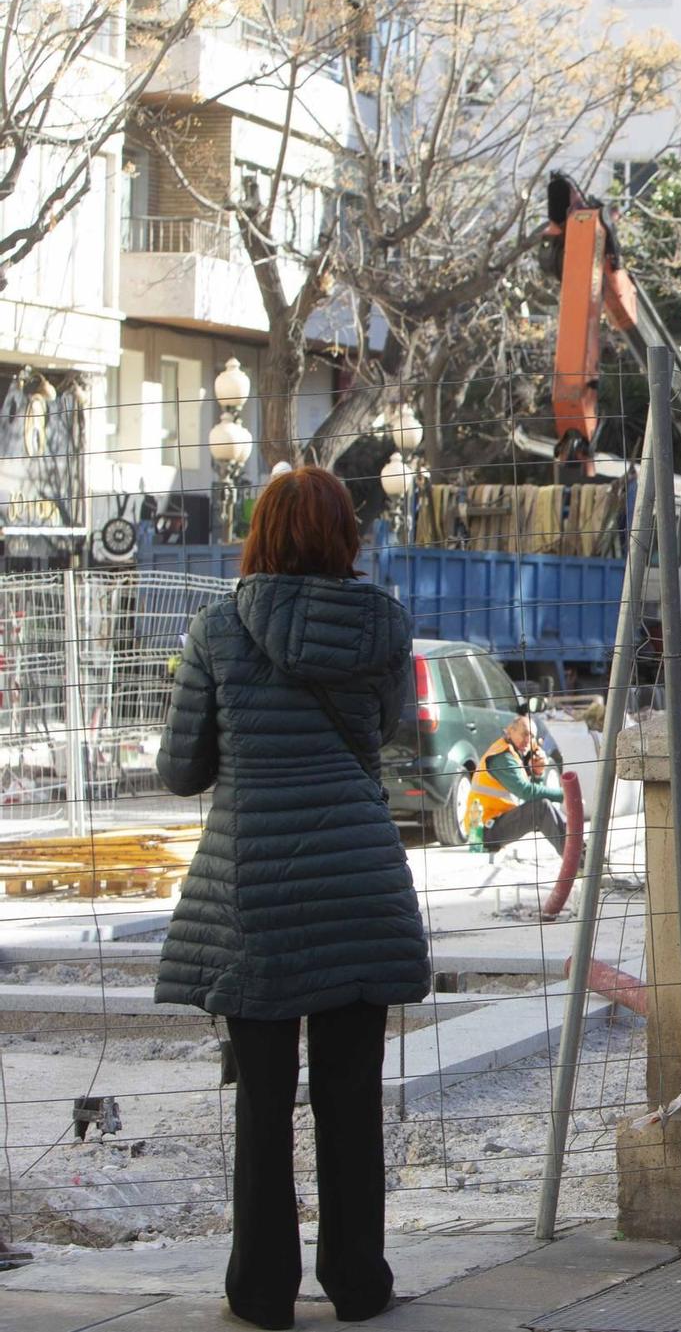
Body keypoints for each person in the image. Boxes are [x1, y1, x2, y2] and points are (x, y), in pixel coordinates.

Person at [154, 467, 427, 1330]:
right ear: (346, 536)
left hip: (257, 893)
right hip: (359, 883)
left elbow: (181, 769)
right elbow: (381, 731)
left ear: (260, 534)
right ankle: (358, 1281)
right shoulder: (384, 625)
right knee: (352, 1094)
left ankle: (263, 1291)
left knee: (264, 1101)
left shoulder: (218, 630)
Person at [468, 715, 567, 854]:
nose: (528, 740)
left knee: (541, 807)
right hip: (484, 830)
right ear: (510, 731)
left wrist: (537, 774)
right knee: (541, 808)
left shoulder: (513, 754)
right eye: (525, 734)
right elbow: (525, 792)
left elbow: (529, 796)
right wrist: (564, 795)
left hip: (494, 823)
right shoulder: (502, 756)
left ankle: (578, 851)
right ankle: (576, 856)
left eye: (532, 737)